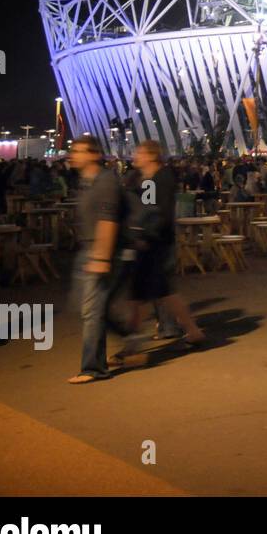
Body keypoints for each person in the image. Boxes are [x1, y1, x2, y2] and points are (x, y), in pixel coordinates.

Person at [121, 141, 205, 354]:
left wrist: (144, 235)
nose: (135, 156)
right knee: (154, 292)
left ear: (151, 156)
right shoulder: (150, 178)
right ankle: (191, 331)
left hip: (154, 243)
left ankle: (133, 341)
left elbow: (155, 212)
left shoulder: (158, 179)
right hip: (152, 241)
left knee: (149, 292)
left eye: (139, 153)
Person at [67, 136, 138, 384]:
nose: (72, 155)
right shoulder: (86, 181)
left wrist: (102, 256)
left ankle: (93, 368)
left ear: (94, 154)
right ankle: (130, 337)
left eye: (78, 151)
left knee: (92, 310)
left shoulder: (106, 181)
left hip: (105, 252)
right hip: (89, 250)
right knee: (92, 309)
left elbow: (108, 220)